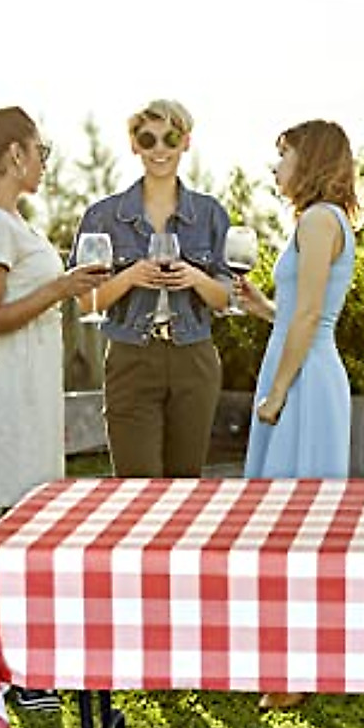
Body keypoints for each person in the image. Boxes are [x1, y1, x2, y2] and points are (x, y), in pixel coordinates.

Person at [0, 96, 107, 711]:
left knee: (23, 529)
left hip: (33, 392)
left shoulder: (18, 224)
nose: (45, 164)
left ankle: (22, 667)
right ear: (14, 154)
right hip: (6, 394)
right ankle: (14, 672)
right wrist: (60, 286)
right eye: (41, 152)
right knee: (2, 531)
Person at [237, 120, 358, 712]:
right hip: (304, 371)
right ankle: (295, 661)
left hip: (305, 381)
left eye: (281, 154)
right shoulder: (325, 221)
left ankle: (293, 671)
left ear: (307, 159)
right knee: (293, 523)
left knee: (292, 527)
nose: (275, 166)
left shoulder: (317, 220)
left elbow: (310, 319)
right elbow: (296, 315)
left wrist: (278, 391)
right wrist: (263, 307)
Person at [73, 100, 231, 478]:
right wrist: (130, 277)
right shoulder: (102, 216)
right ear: (134, 145)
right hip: (130, 359)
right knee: (135, 486)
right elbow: (83, 303)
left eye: (170, 138)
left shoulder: (211, 214)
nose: (159, 149)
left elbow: (229, 298)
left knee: (185, 483)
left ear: (185, 142)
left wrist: (196, 278)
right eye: (148, 139)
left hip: (195, 359)